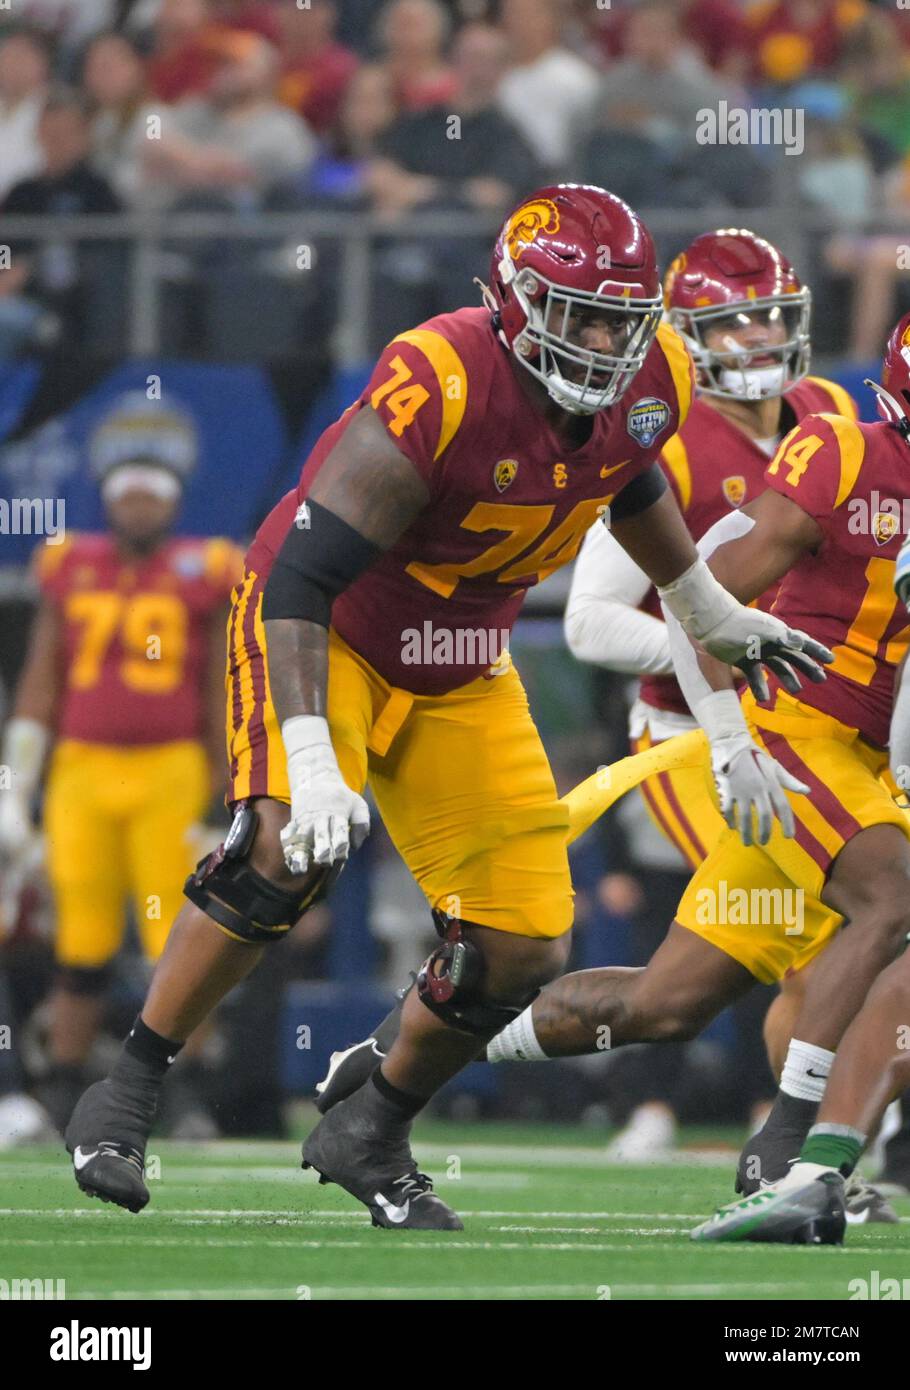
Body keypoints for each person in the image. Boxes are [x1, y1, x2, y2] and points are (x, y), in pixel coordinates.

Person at [64, 182, 827, 1230]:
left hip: (463, 657)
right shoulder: (446, 377)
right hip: (327, 629)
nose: (605, 337)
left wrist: (702, 601)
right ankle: (130, 1085)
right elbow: (300, 579)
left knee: (521, 941)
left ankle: (369, 1125)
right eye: (579, 311)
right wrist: (313, 754)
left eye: (621, 313)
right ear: (516, 300)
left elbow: (629, 475)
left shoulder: (656, 378)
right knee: (284, 847)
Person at [560, 228, 856, 1162]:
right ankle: (803, 1156)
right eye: (734, 324)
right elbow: (588, 622)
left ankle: (825, 1145)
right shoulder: (663, 434)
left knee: (852, 934)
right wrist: (733, 646)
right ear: (682, 338)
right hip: (698, 735)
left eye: (773, 316)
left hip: (816, 730)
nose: (761, 337)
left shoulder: (831, 414)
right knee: (805, 946)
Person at [691, 328, 910, 1241]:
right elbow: (698, 596)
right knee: (892, 900)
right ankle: (792, 1149)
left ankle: (392, 1073)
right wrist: (728, 735)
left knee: (665, 999)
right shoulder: (847, 450)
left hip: (870, 757)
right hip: (800, 731)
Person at [0, 394, 243, 1133]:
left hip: (169, 771)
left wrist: (223, 792)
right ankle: (63, 1087)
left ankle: (181, 1092)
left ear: (171, 501)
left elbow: (219, 689)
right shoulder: (71, 564)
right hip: (81, 771)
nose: (138, 507)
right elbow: (41, 683)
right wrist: (17, 786)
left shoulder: (206, 567)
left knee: (179, 938)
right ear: (109, 496)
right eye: (128, 495)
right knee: (83, 939)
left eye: (152, 496)